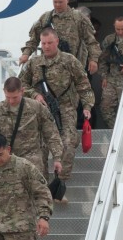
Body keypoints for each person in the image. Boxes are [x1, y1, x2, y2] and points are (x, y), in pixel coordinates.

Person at [20, 27, 95, 192]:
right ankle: (44, 190)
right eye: (43, 43)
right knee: (41, 151)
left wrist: (87, 106)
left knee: (68, 145)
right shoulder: (34, 63)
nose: (46, 46)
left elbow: (84, 86)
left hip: (66, 109)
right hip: (41, 111)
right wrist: (35, 95)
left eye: (50, 43)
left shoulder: (69, 61)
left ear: (57, 42)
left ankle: (60, 184)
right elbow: (21, 85)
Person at [0, 77, 64, 182]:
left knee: (37, 194)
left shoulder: (36, 108)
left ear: (22, 91)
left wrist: (57, 158)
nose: (11, 101)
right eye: (8, 97)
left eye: (15, 97)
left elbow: (51, 134)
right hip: (6, 161)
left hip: (32, 161)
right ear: (4, 91)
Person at [19, 0, 99, 75]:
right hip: (49, 70)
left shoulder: (79, 18)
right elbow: (33, 40)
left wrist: (93, 60)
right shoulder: (45, 18)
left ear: (67, 0)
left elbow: (91, 42)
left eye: (60, 2)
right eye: (55, 2)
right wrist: (26, 54)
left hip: (73, 69)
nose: (57, 5)